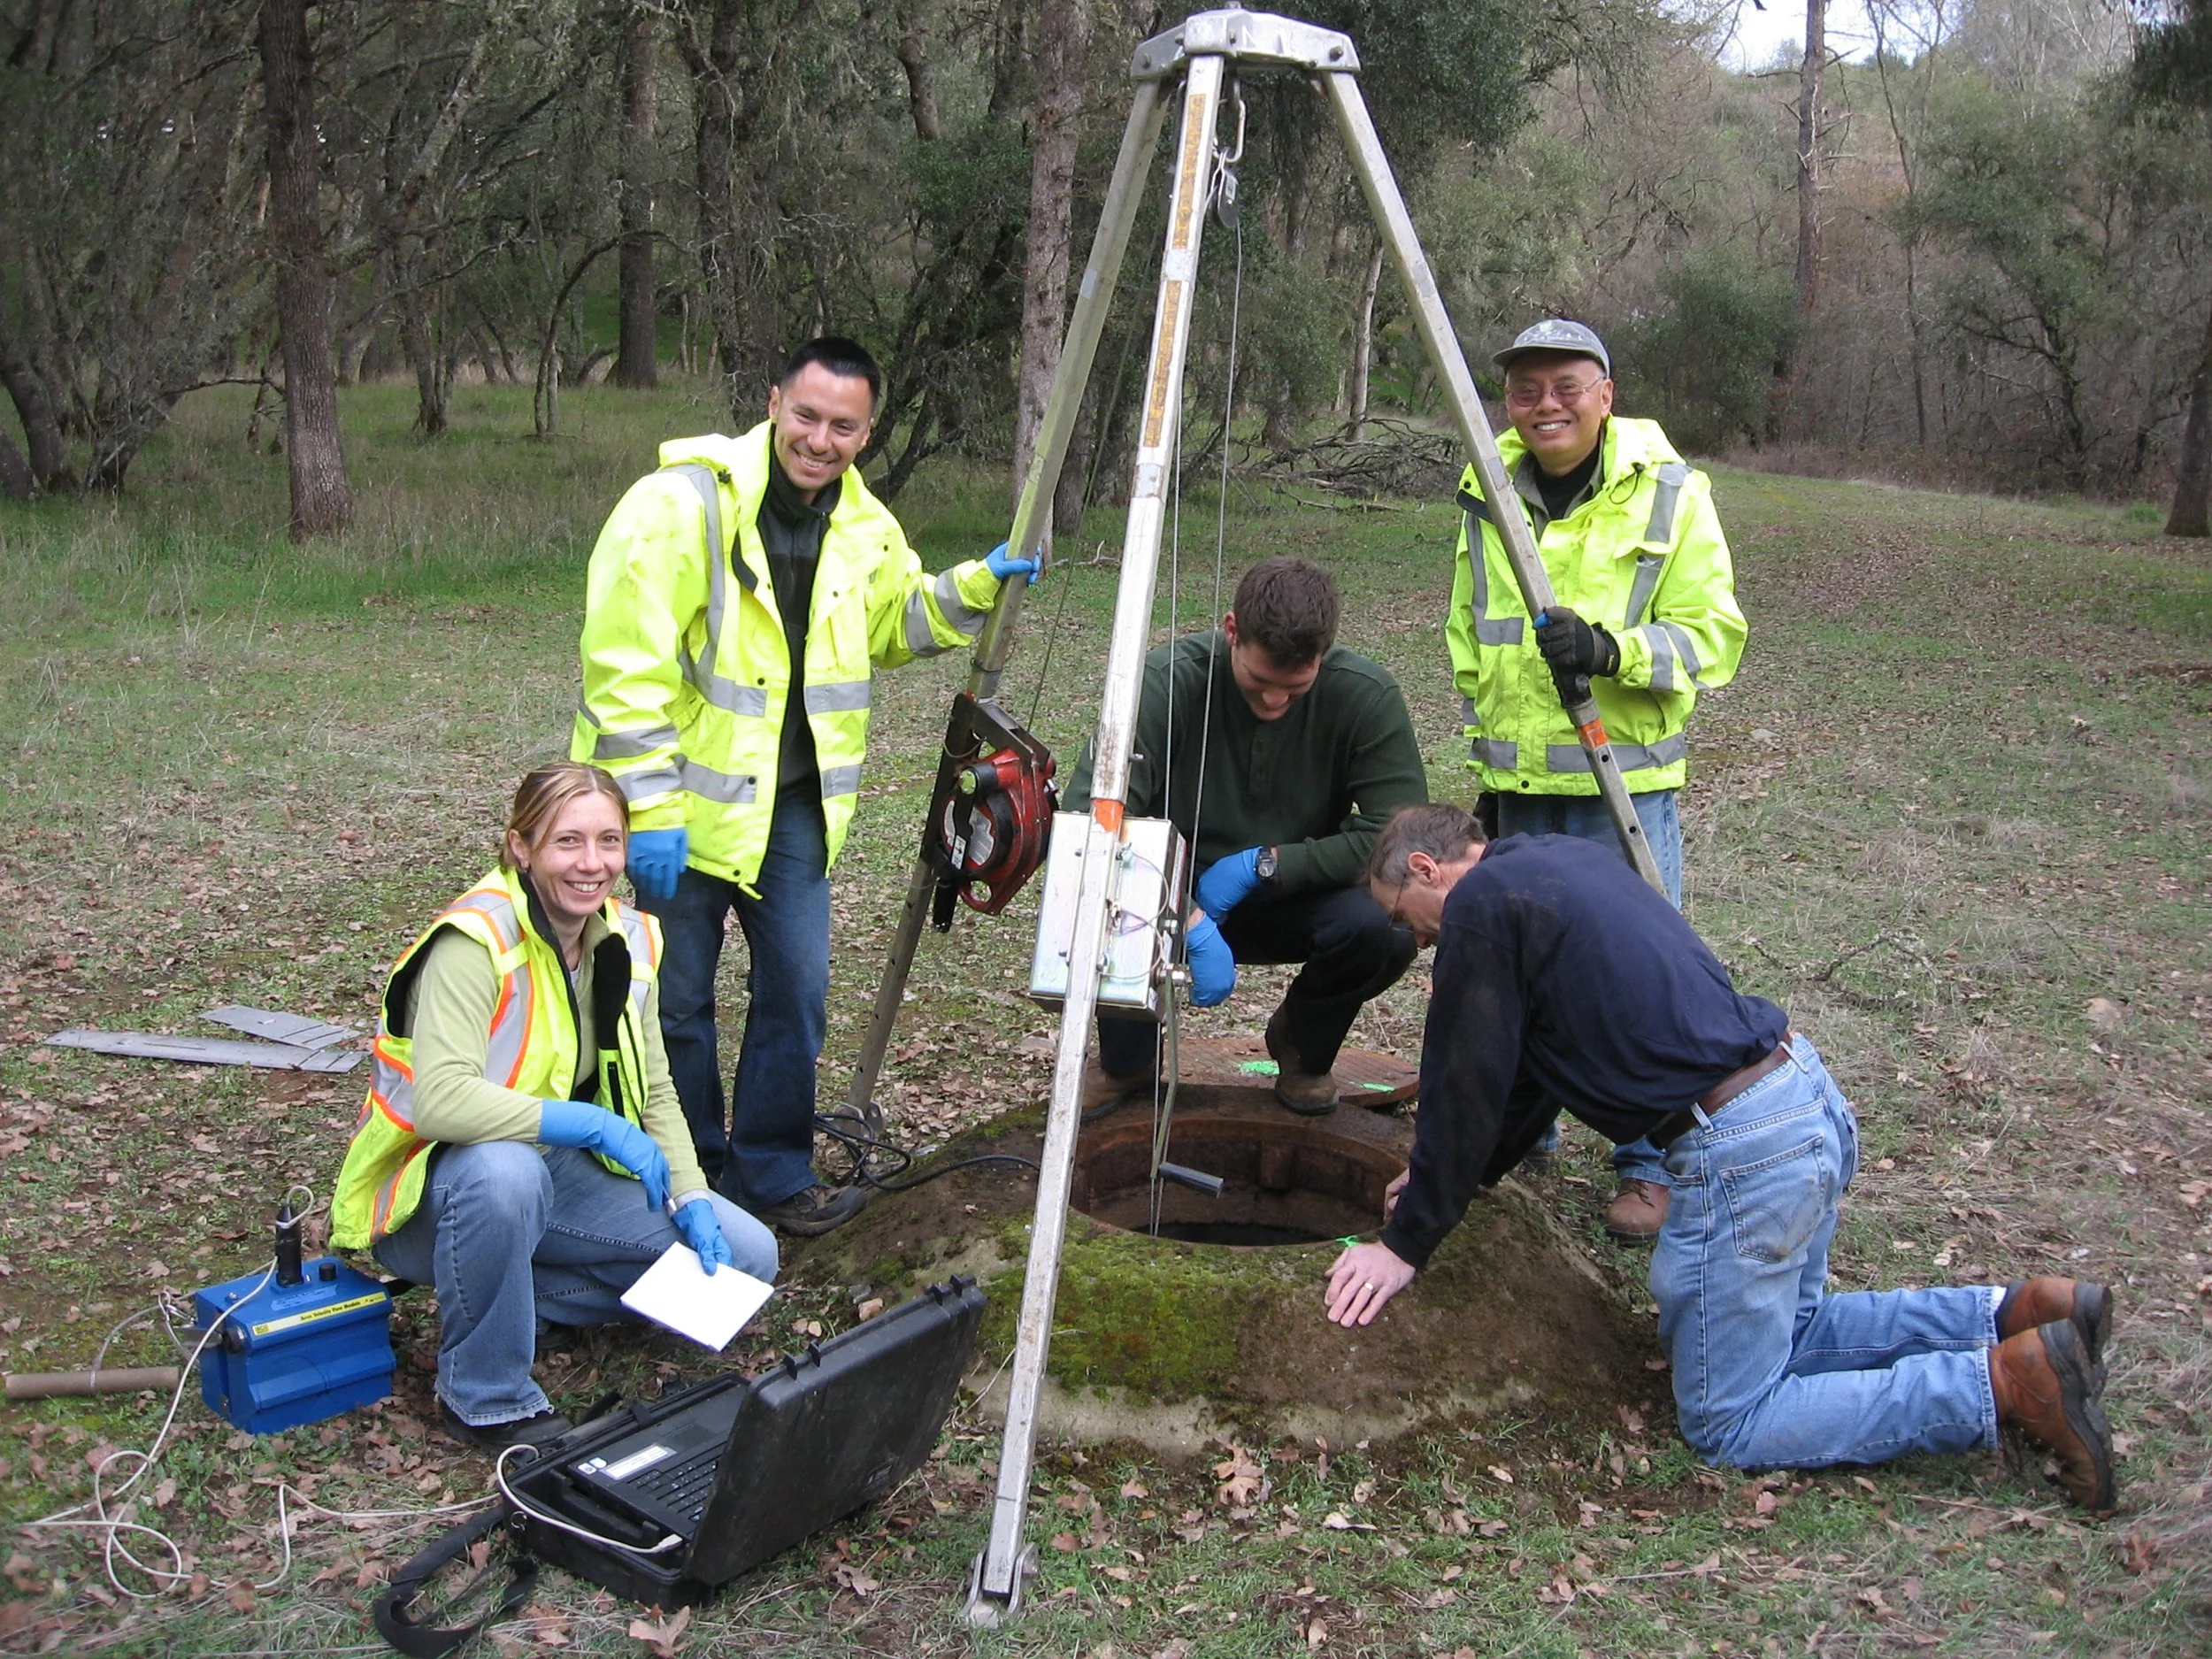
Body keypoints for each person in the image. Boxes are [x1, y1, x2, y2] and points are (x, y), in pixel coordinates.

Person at [1325, 803, 2117, 1511]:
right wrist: (1458, 1179)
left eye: (1409, 917)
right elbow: (1529, 1075)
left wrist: (1406, 1244)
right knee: (1795, 1329)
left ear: (1429, 868)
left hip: (1742, 1146)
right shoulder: (1556, 868)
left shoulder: (1483, 909)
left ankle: (2008, 1384)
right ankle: (2017, 1312)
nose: (1419, 939)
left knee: (1731, 1418)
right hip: (1799, 1095)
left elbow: (1467, 1074)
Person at [571, 336, 1036, 1236]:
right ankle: (688, 1173)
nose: (821, 440)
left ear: (866, 432)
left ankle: (774, 1175)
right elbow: (623, 666)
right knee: (677, 1003)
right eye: (809, 416)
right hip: (680, 810)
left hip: (790, 813)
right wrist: (649, 813)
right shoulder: (677, 504)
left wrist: (971, 587)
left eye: (845, 426)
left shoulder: (866, 526)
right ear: (775, 401)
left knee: (796, 989)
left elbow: (889, 626)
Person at [330, 763, 780, 1454]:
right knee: (508, 1174)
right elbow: (439, 1100)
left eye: (609, 840)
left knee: (748, 1257)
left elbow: (656, 1085)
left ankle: (513, 1296)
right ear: (521, 846)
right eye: (568, 841)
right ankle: (483, 1394)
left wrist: (690, 1193)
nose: (592, 863)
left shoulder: (627, 937)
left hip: (556, 1175)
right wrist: (588, 1122)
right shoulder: (474, 942)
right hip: (436, 1191)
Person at [1448, 318, 1750, 1245]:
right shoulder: (1485, 493)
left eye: (1566, 386)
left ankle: (1648, 1162)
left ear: (1605, 394)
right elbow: (1471, 626)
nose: (1546, 405)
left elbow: (1715, 639)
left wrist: (1612, 650)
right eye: (1527, 389)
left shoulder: (1669, 495)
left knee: (1637, 977)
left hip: (1621, 787)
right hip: (1517, 784)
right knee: (1509, 966)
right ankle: (1519, 1128)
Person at [1062, 557, 1427, 1112]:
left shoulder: (1366, 696)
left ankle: (1304, 1048)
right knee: (1100, 888)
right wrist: (1182, 911)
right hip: (1166, 895)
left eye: (1296, 686)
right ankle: (1126, 1062)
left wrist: (1272, 864)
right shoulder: (1166, 683)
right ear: (1232, 630)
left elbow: (1397, 834)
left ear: (1323, 655)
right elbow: (1092, 822)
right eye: (1260, 681)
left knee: (1386, 926)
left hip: (1295, 897)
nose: (1275, 701)